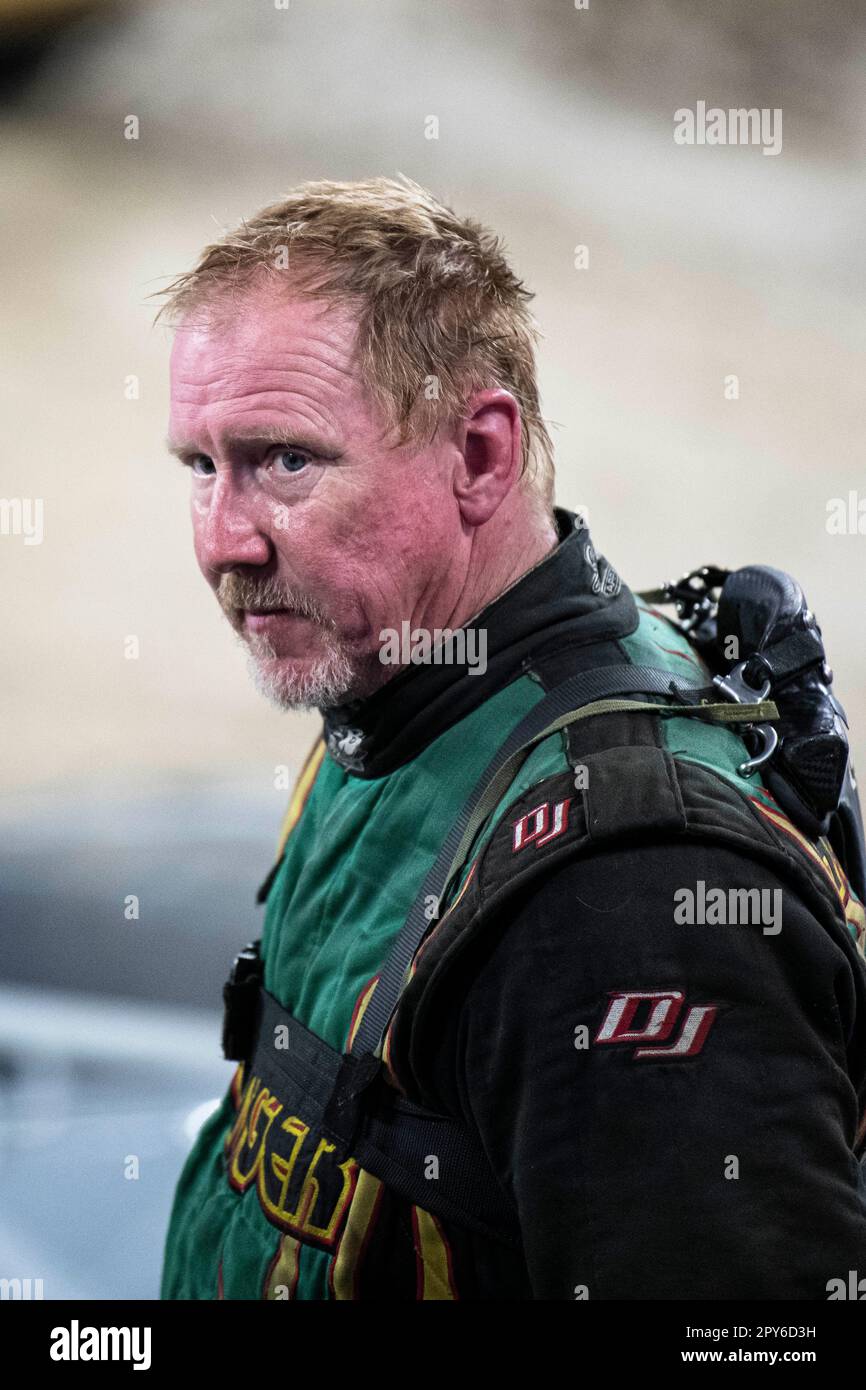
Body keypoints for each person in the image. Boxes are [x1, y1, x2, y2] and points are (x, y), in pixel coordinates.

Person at [158, 176, 866, 1300]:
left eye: (285, 460)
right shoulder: (393, 681)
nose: (223, 540)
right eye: (201, 466)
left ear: (479, 456)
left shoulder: (625, 899)